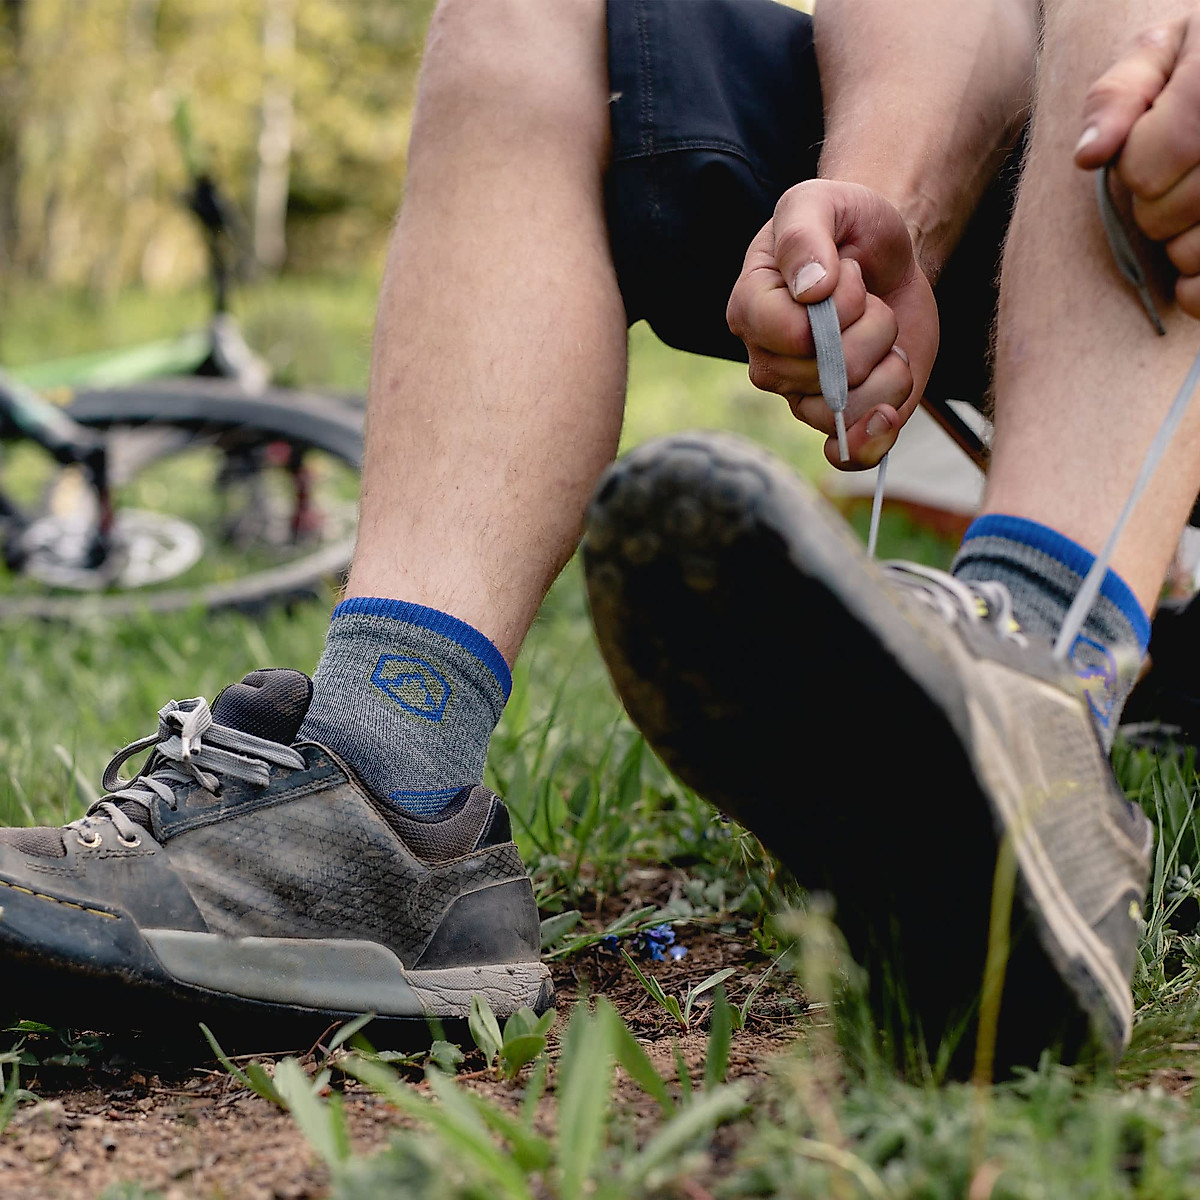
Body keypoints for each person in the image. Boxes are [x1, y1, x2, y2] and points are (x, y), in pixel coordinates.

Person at [2, 0, 1199, 1063]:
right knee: (536, 17)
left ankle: (1043, 686)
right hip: (1085, 229)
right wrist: (883, 208)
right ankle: (384, 786)